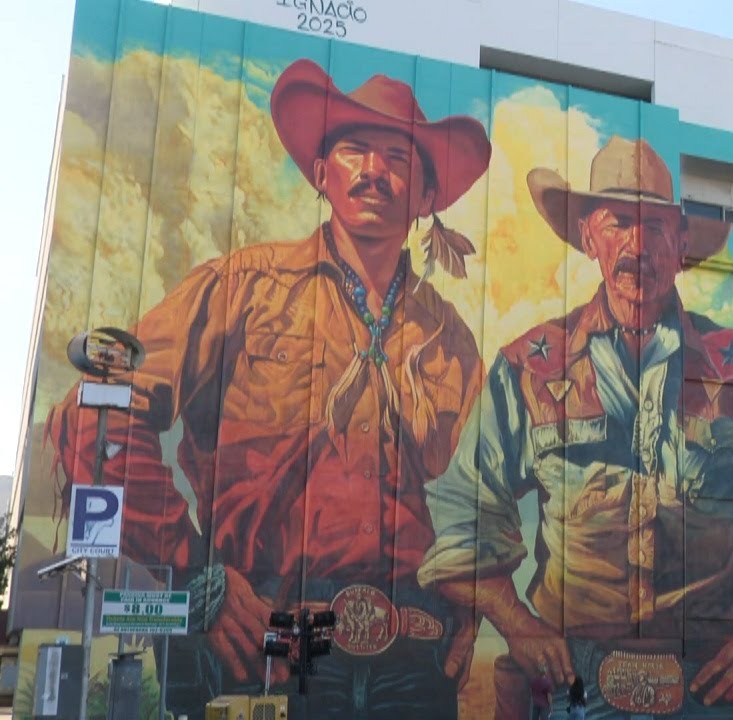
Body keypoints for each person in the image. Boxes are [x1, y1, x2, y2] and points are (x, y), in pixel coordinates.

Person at [47, 59, 491, 719]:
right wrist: (196, 572)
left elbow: (473, 503)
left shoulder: (449, 339)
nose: (374, 170)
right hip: (269, 633)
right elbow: (92, 414)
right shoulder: (243, 289)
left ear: (425, 194)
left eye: (397, 157)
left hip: (411, 654)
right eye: (353, 151)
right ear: (320, 175)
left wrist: (470, 598)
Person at [418, 136, 733, 718]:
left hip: (719, 690)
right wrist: (516, 624)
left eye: (655, 228)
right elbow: (462, 507)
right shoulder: (529, 366)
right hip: (574, 687)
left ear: (680, 245)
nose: (637, 246)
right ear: (588, 237)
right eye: (617, 224)